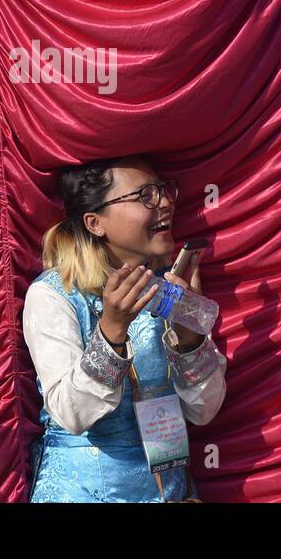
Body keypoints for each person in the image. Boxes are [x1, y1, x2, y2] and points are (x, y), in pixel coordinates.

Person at [23, 155, 226, 502]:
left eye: (163, 190)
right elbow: (72, 415)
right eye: (145, 195)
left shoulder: (169, 290)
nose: (164, 203)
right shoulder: (53, 294)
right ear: (95, 222)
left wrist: (190, 337)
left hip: (171, 491)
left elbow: (204, 410)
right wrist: (111, 332)